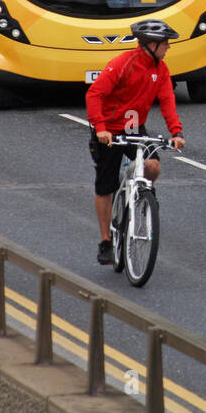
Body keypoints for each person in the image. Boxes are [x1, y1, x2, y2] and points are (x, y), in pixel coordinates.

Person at [84, 19, 184, 266]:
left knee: (152, 167)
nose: (168, 47)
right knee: (105, 185)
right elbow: (94, 94)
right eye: (165, 43)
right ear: (151, 44)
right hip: (108, 128)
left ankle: (139, 189)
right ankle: (106, 241)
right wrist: (101, 128)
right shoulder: (123, 63)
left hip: (134, 128)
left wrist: (176, 132)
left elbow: (168, 101)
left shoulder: (161, 69)